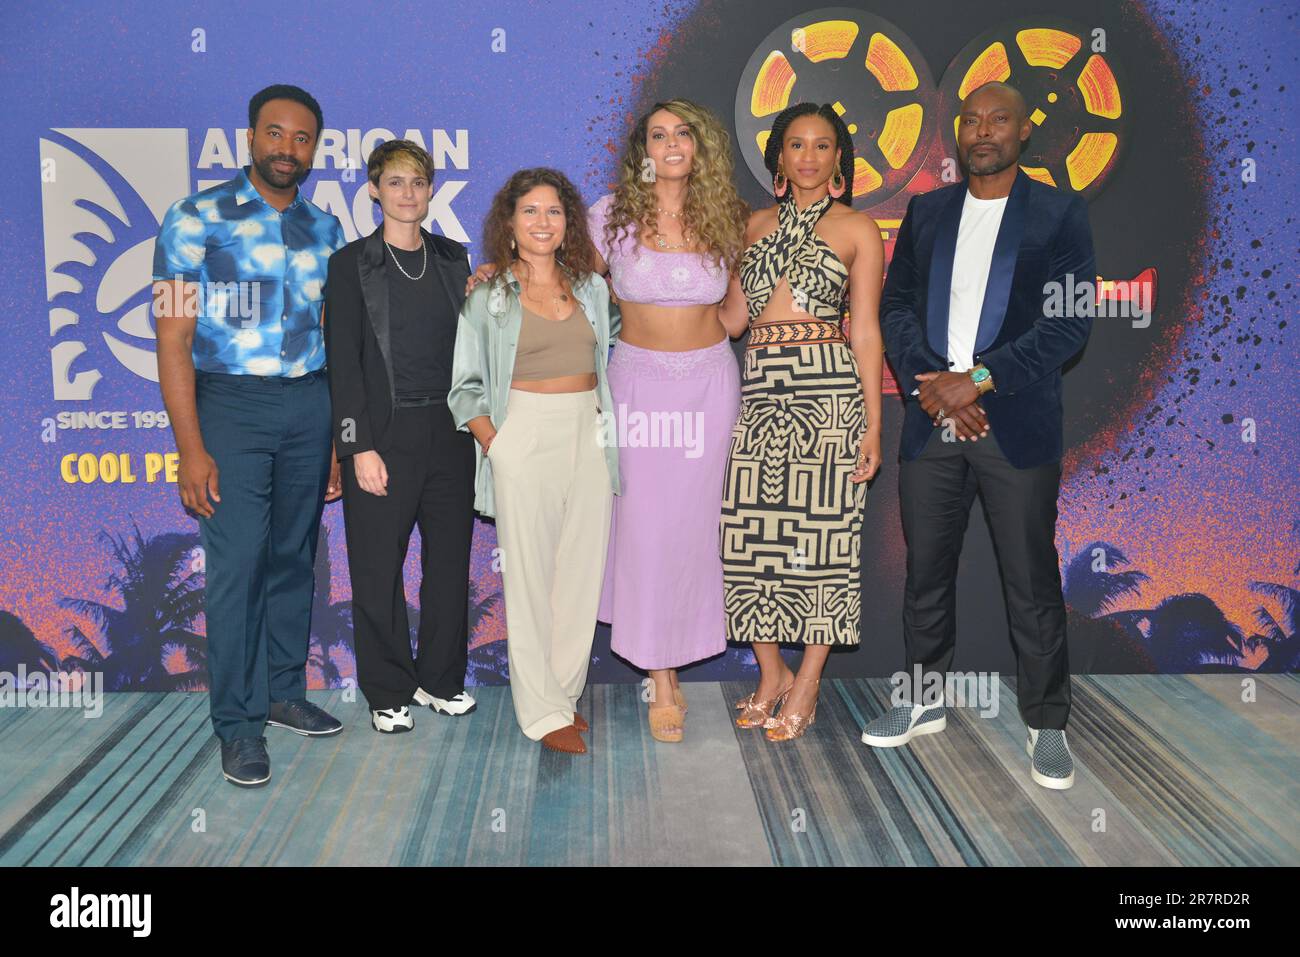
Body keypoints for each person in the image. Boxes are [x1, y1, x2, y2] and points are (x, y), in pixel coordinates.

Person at [861, 81, 1095, 790]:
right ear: (957, 133)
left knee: (1030, 581)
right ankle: (925, 699)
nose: (983, 130)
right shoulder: (927, 212)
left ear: (1025, 133)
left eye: (1000, 118)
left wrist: (981, 380)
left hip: (1014, 424)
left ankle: (1046, 721)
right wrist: (937, 384)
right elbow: (894, 305)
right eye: (971, 119)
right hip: (934, 421)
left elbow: (1069, 322)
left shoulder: (1059, 212)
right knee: (925, 571)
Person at [153, 84, 345, 787]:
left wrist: (332, 440)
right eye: (275, 134)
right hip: (229, 404)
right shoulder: (192, 219)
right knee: (237, 566)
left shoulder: (327, 231)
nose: (286, 149)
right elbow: (172, 339)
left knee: (295, 554)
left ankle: (284, 691)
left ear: (313, 149)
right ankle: (238, 725)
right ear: (251, 138)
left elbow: (333, 337)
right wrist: (191, 446)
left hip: (311, 404)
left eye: (301, 139)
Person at [716, 102, 884, 741]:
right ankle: (770, 673)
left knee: (824, 543)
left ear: (838, 157)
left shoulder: (857, 229)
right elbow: (731, 320)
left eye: (821, 145)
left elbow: (864, 330)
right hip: (759, 393)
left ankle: (807, 680)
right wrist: (649, 306)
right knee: (747, 542)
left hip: (828, 392)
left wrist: (871, 424)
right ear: (777, 159)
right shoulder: (748, 227)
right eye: (795, 145)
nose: (809, 156)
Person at [585, 100, 747, 742]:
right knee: (646, 528)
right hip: (635, 388)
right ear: (641, 151)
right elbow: (560, 282)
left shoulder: (727, 217)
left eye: (684, 132)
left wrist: (704, 346)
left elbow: (738, 309)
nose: (671, 143)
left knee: (693, 530)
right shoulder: (609, 216)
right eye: (658, 135)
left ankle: (673, 660)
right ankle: (662, 676)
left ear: (700, 145)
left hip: (709, 384)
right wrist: (498, 280)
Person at [448, 168, 620, 755]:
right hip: (523, 431)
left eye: (554, 211)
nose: (543, 222)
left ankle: (563, 699)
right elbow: (466, 386)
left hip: (588, 432)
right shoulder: (489, 296)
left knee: (579, 574)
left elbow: (620, 344)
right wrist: (498, 445)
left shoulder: (592, 290)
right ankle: (541, 714)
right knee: (528, 579)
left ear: (568, 223)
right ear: (510, 224)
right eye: (530, 211)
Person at [325, 139, 477, 734]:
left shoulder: (454, 258)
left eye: (417, 182)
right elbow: (342, 361)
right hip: (382, 438)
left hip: (450, 431)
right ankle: (387, 688)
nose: (407, 193)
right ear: (373, 189)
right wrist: (356, 445)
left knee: (448, 565)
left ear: (431, 189)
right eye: (395, 182)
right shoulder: (349, 264)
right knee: (376, 566)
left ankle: (441, 680)